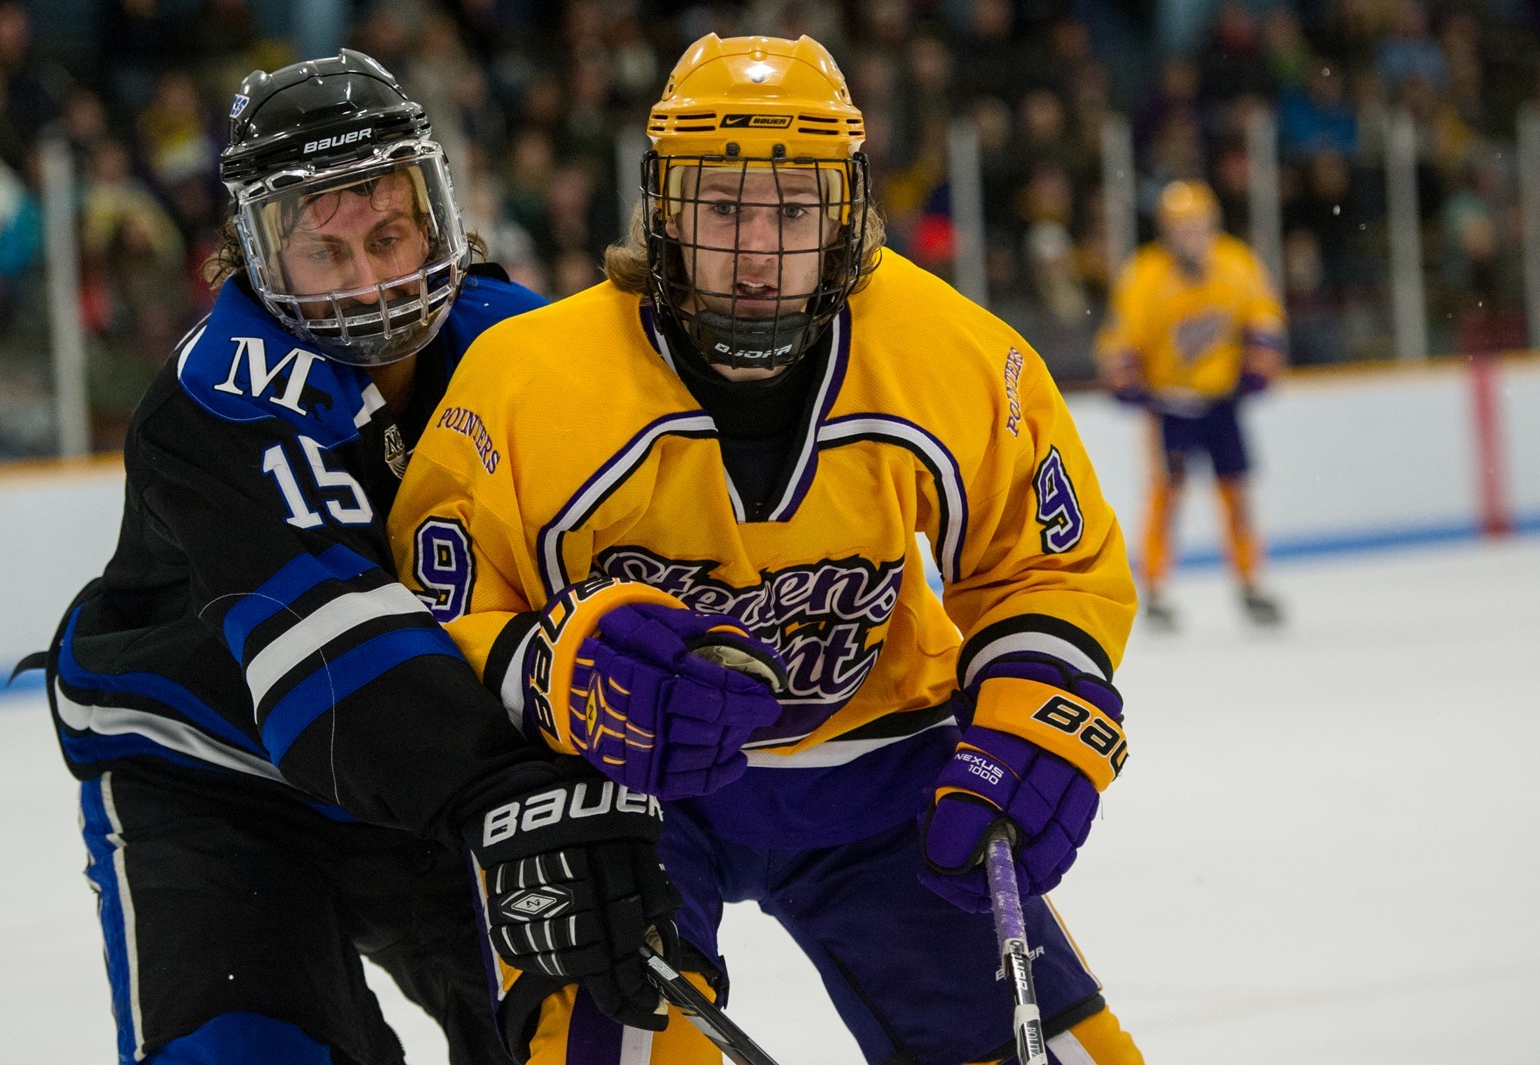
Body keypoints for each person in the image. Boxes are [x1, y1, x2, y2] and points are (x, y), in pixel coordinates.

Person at [391, 33, 1145, 1065]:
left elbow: (1045, 559)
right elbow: (437, 601)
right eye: (723, 207)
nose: (757, 250)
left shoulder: (951, 355)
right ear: (663, 207)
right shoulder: (526, 382)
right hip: (626, 788)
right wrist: (557, 668)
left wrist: (1032, 711)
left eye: (793, 211)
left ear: (846, 214)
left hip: (882, 774)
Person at [33, 50, 675, 1065]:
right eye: (325, 252)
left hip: (446, 760)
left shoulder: (524, 348)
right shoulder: (214, 402)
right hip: (214, 779)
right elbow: (335, 655)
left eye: (386, 236)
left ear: (436, 217)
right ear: (256, 255)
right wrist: (514, 793)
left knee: (598, 1033)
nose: (370, 282)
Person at [1097, 179, 1287, 630]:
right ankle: (1155, 588)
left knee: (1236, 495)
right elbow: (1121, 337)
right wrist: (1124, 376)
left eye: (1199, 226)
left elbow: (1264, 318)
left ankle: (1250, 581)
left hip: (1222, 404)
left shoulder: (1235, 263)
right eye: (1183, 227)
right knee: (1167, 497)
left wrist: (1261, 360)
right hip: (1172, 407)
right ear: (1166, 231)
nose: (1192, 236)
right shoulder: (1146, 275)